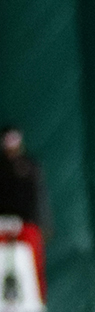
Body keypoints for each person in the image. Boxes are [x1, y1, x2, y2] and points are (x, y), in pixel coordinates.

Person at [0, 126, 47, 296]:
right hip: (2, 223)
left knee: (33, 264)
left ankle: (37, 308)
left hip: (27, 223)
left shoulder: (30, 166)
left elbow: (40, 197)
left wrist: (44, 222)